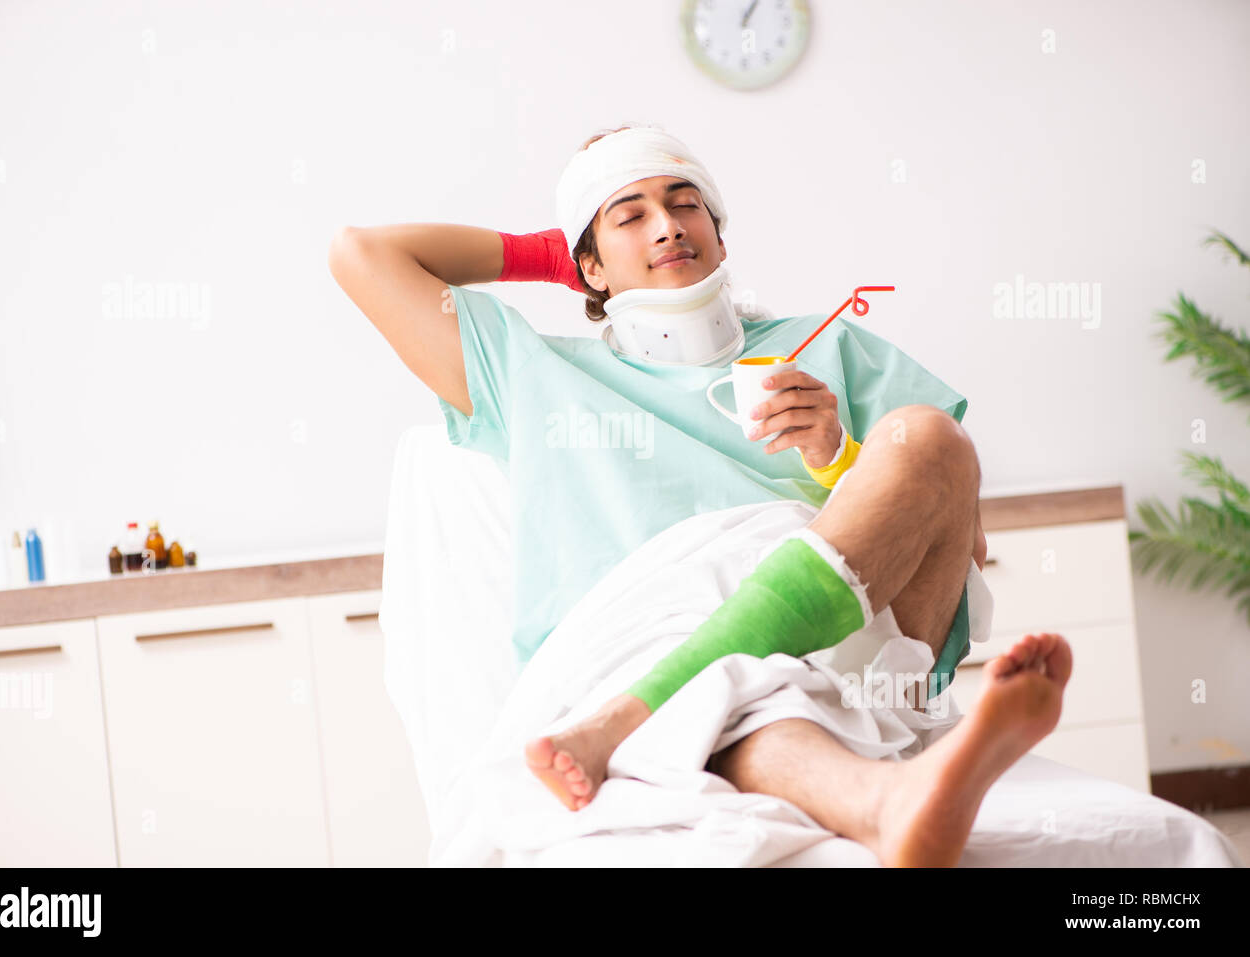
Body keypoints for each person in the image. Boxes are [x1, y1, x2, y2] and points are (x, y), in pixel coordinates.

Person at [328, 124, 1072, 866]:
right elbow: (362, 255)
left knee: (929, 435)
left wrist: (835, 455)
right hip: (641, 636)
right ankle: (884, 798)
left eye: (687, 205)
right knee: (746, 694)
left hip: (846, 634)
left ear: (719, 236)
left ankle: (662, 716)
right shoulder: (531, 374)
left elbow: (953, 532)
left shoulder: (823, 344)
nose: (669, 224)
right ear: (587, 261)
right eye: (630, 214)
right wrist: (553, 254)